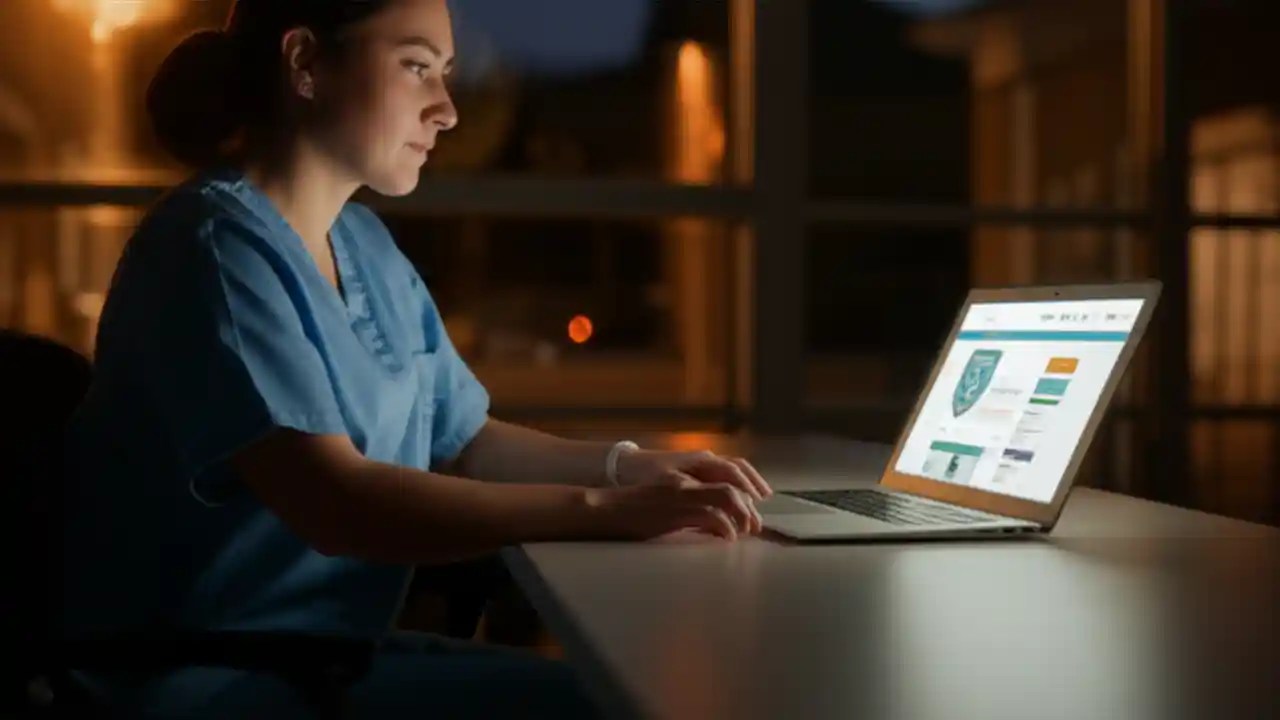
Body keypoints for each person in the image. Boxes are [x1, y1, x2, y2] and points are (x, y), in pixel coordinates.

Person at [57, 0, 773, 716]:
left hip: (325, 657)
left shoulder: (362, 241)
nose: (447, 110)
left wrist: (630, 466)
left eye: (446, 74)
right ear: (305, 63)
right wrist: (610, 511)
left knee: (639, 696)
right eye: (416, 67)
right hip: (198, 676)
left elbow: (466, 443)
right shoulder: (214, 249)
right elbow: (337, 504)